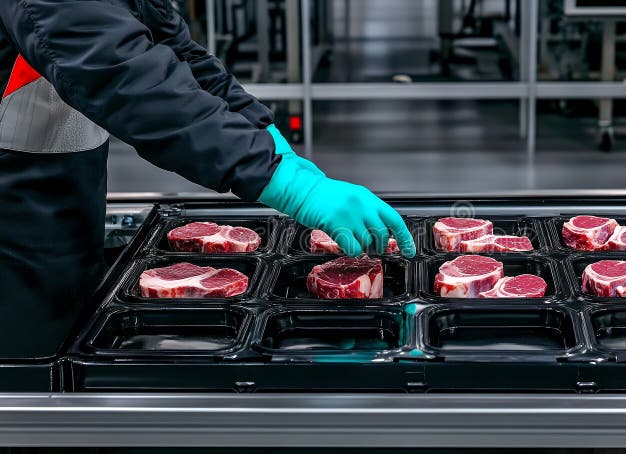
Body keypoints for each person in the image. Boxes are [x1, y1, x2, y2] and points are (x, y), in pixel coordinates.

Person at [0, 0, 415, 359]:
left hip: (60, 207)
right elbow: (131, 81)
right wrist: (283, 180)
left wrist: (268, 141)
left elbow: (178, 56)